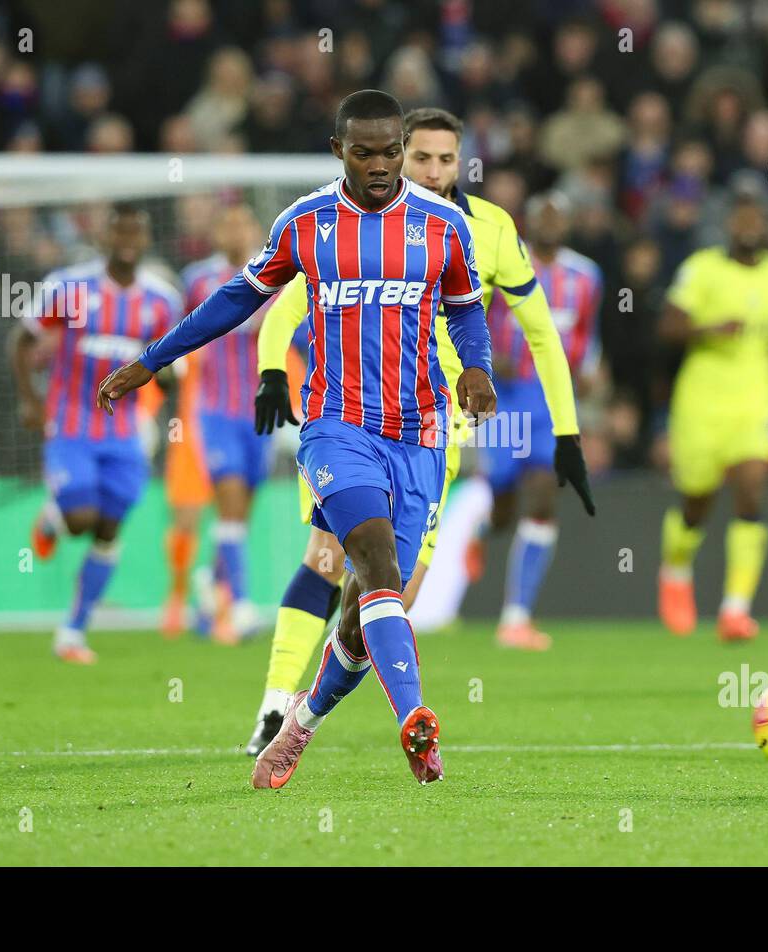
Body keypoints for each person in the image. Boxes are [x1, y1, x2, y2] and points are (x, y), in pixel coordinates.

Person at [95, 90, 496, 787]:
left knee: (365, 617)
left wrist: (480, 372)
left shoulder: (442, 227)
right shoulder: (305, 223)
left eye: (390, 151)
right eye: (364, 151)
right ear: (338, 150)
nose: (380, 164)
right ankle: (417, 722)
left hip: (423, 432)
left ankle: (298, 724)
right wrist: (153, 357)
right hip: (336, 429)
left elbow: (465, 312)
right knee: (371, 562)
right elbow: (237, 299)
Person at [244, 106, 592, 754]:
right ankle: (271, 707)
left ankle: (303, 717)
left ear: (460, 164)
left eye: (444, 160)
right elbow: (284, 305)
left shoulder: (484, 231)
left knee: (384, 595)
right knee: (326, 560)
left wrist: (566, 433)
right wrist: (272, 370)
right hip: (346, 417)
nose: (431, 171)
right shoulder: (357, 222)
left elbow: (542, 332)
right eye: (421, 157)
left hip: (434, 433)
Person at [13, 204, 183, 663]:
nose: (128, 239)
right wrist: (31, 400)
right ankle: (53, 514)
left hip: (126, 432)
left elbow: (170, 364)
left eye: (136, 231)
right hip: (71, 424)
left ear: (146, 240)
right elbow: (23, 340)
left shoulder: (162, 300)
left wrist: (168, 381)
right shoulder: (68, 287)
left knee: (108, 529)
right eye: (120, 230)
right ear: (105, 237)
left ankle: (73, 630)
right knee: (81, 519)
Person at [656, 182, 768, 641]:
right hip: (701, 398)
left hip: (755, 398)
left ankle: (735, 610)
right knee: (697, 500)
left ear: (767, 225)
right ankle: (676, 567)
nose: (748, 226)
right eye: (740, 218)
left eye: (756, 218)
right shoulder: (701, 268)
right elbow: (668, 327)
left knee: (753, 488)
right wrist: (709, 329)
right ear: (727, 225)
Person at [466, 191, 603, 649]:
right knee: (505, 499)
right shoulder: (507, 259)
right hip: (507, 397)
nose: (549, 222)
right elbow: (473, 311)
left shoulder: (585, 275)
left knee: (543, 492)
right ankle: (485, 529)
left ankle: (517, 616)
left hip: (550, 400)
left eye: (557, 215)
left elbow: (588, 332)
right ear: (529, 220)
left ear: (568, 223)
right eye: (541, 213)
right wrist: (485, 358)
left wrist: (587, 371)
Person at [174, 203, 275, 643]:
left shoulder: (277, 276)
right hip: (213, 411)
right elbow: (174, 326)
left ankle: (208, 587)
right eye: (227, 223)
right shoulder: (198, 280)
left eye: (243, 223)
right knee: (229, 502)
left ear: (255, 230)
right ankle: (242, 607)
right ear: (216, 233)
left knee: (240, 514)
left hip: (259, 412)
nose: (236, 231)